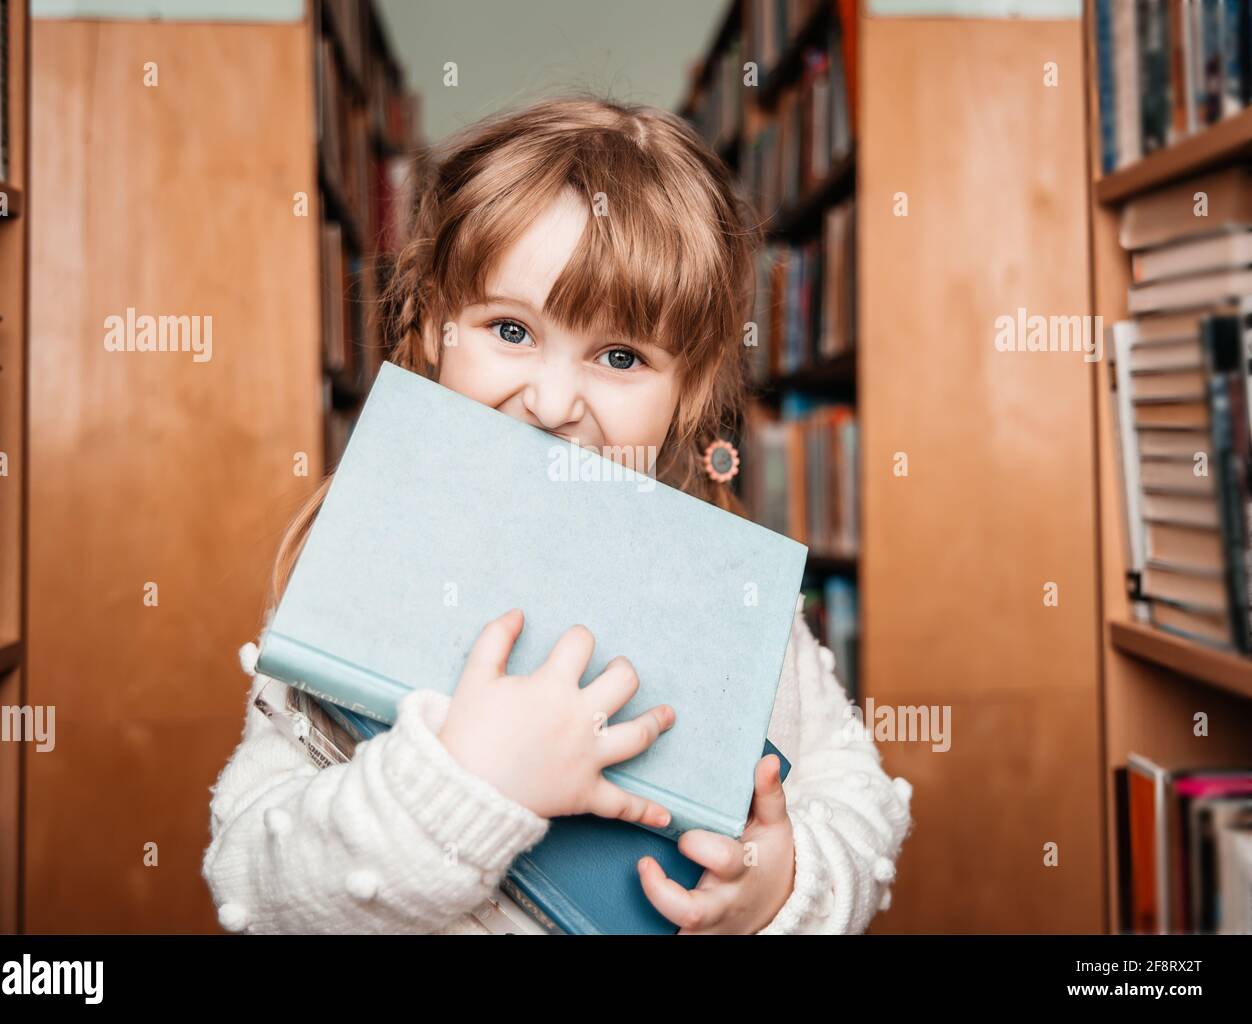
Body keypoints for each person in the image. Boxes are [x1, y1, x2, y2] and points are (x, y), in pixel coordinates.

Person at [202, 96, 913, 934]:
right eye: (510, 329)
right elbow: (250, 876)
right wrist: (465, 785)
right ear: (434, 323)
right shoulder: (354, 570)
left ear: (689, 387)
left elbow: (857, 799)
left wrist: (783, 885)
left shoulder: (739, 605)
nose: (550, 401)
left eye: (620, 356)